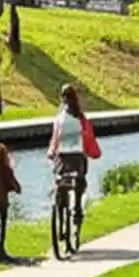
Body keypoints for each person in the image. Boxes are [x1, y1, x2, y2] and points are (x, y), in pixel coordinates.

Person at [48, 84, 89, 226]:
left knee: (61, 179)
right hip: (77, 156)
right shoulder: (81, 117)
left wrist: (51, 152)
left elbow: (55, 139)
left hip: (62, 157)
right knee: (80, 180)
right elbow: (87, 137)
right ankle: (77, 207)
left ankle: (61, 206)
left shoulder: (59, 118)